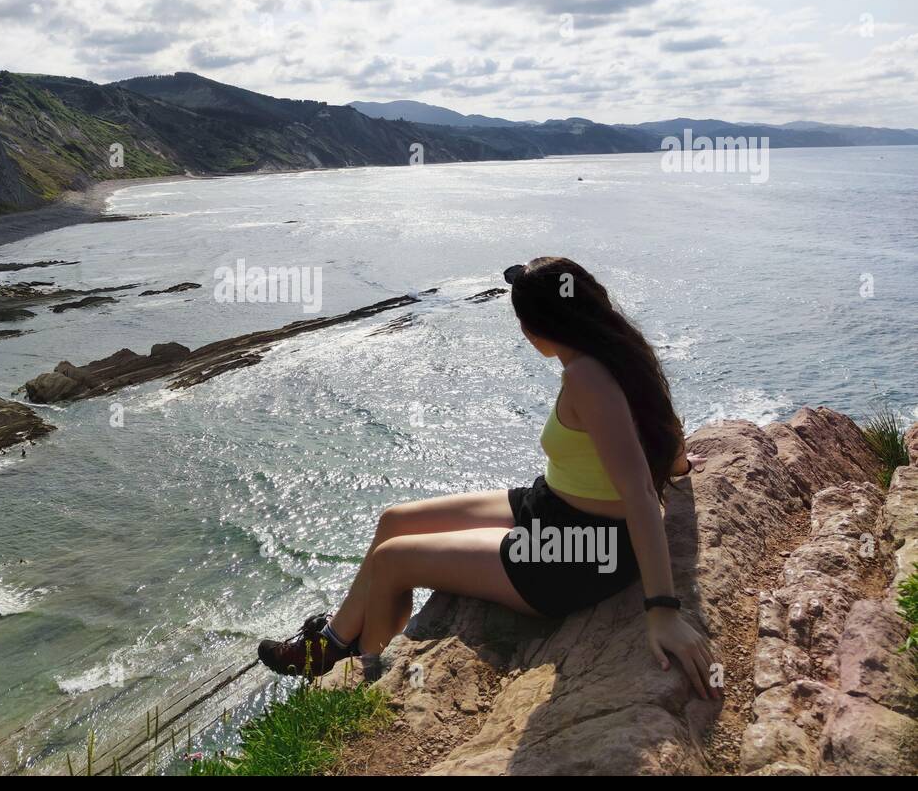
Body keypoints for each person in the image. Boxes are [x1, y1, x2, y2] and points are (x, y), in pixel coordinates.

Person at [257, 257, 717, 699]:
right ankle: (333, 644)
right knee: (394, 520)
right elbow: (662, 424)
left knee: (392, 560)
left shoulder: (587, 377)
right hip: (553, 506)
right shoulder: (620, 349)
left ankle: (369, 677)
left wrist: (662, 610)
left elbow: (637, 492)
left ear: (533, 327)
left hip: (582, 548)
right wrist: (678, 466)